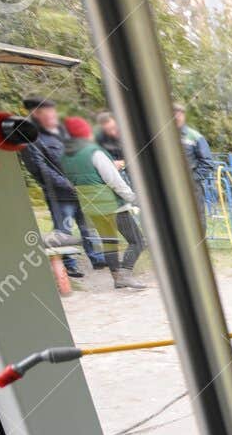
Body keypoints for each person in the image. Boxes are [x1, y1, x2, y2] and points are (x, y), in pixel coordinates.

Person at [20, 96, 107, 282]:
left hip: (80, 188)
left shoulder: (60, 131)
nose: (53, 115)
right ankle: (69, 266)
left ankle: (98, 259)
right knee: (63, 229)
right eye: (47, 112)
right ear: (35, 113)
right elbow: (39, 169)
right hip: (59, 194)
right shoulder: (30, 135)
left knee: (87, 225)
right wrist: (68, 185)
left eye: (53, 111)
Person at [62, 117, 147, 290]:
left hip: (92, 208)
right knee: (137, 241)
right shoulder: (94, 153)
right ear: (85, 133)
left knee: (109, 242)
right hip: (113, 206)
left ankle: (117, 278)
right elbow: (114, 181)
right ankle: (125, 275)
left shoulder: (64, 157)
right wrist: (133, 198)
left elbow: (73, 182)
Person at [173, 103, 216, 206]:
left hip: (192, 189)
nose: (176, 118)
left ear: (183, 116)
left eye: (178, 115)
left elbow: (207, 163)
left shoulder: (195, 137)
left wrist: (191, 179)